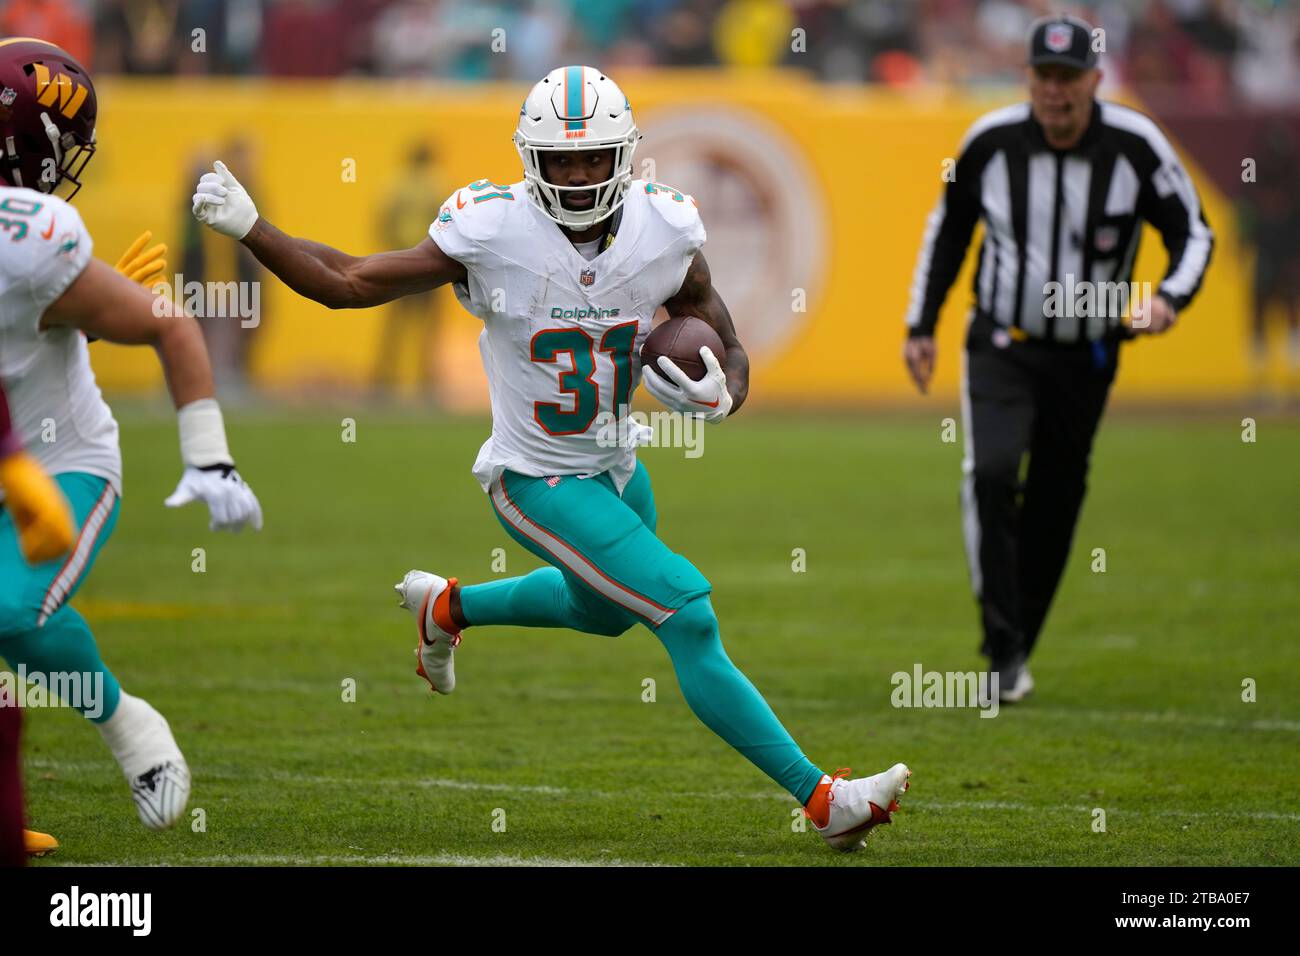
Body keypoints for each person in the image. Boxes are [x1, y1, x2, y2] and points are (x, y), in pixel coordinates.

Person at [192, 64, 910, 852]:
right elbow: (349, 281)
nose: (577, 176)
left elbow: (729, 345)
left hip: (617, 468)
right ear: (531, 160)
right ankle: (825, 800)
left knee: (603, 613)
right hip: (534, 478)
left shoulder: (665, 228)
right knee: (687, 614)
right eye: (561, 160)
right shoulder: (491, 230)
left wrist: (723, 394)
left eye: (592, 157)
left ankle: (448, 608)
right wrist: (255, 229)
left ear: (623, 156)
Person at [902, 16, 1213, 700]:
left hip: (1087, 355)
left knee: (1057, 498)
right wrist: (921, 325)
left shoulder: (1135, 146)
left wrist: (1169, 298)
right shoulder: (990, 141)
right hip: (1003, 342)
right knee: (990, 473)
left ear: (1095, 80)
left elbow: (1194, 233)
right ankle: (1001, 648)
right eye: (1044, 75)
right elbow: (949, 230)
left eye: (1069, 78)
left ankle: (1018, 642)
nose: (1055, 90)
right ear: (1028, 78)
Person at [0, 37, 264, 834]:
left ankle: (130, 727)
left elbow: (168, 325)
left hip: (59, 463)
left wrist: (209, 457)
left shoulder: (29, 238)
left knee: (11, 612)